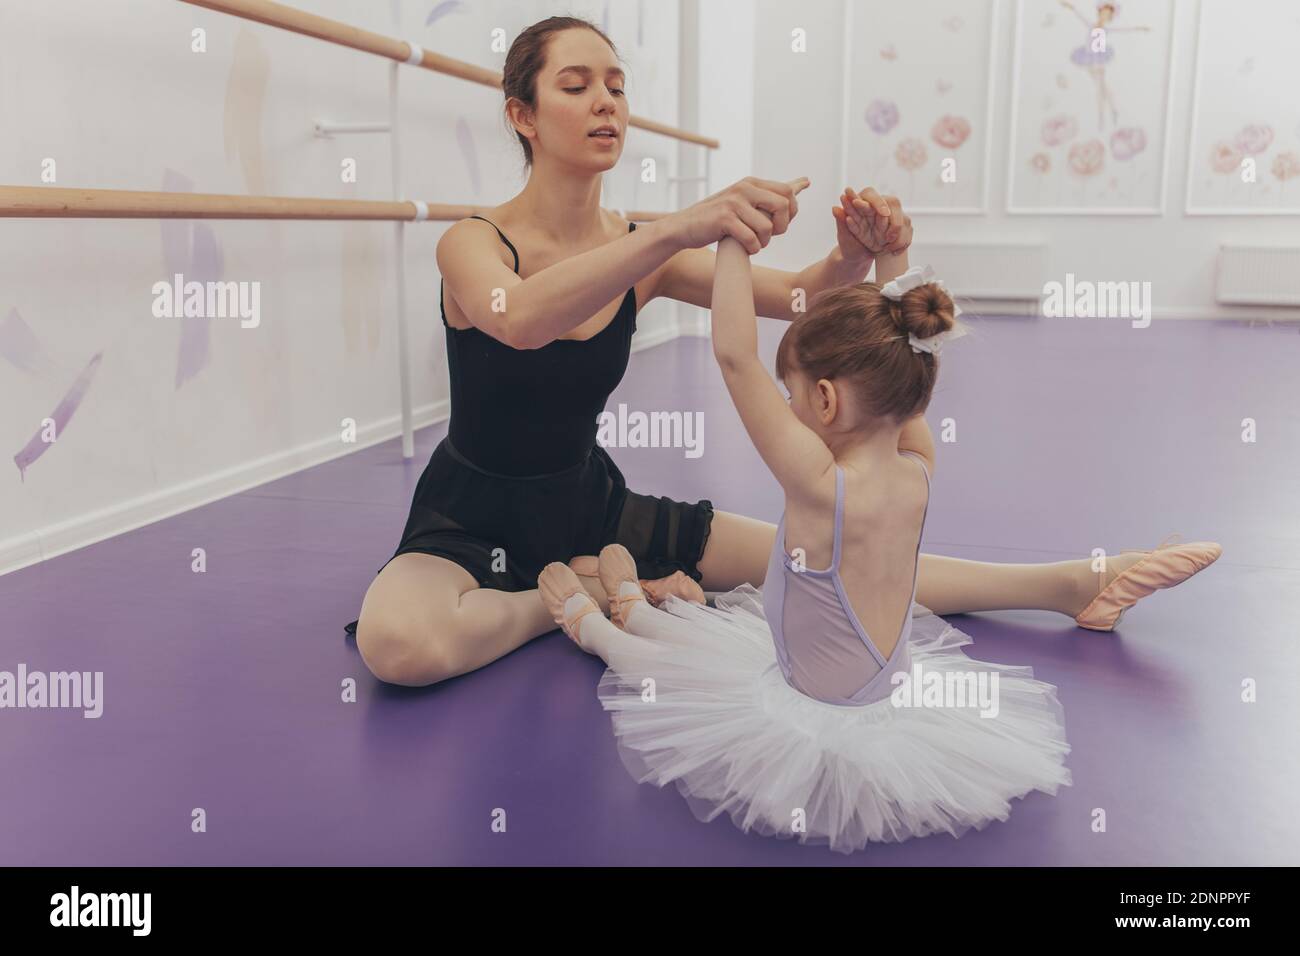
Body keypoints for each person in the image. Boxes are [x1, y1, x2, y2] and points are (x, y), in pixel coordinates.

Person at [351, 15, 1219, 689]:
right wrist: (681, 229)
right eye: (576, 86)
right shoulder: (474, 243)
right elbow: (521, 318)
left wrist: (858, 248)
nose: (607, 101)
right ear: (523, 115)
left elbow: (800, 298)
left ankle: (1067, 583)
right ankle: (557, 601)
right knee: (398, 646)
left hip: (592, 504)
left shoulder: (639, 244)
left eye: (617, 85)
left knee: (833, 549)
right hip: (471, 519)